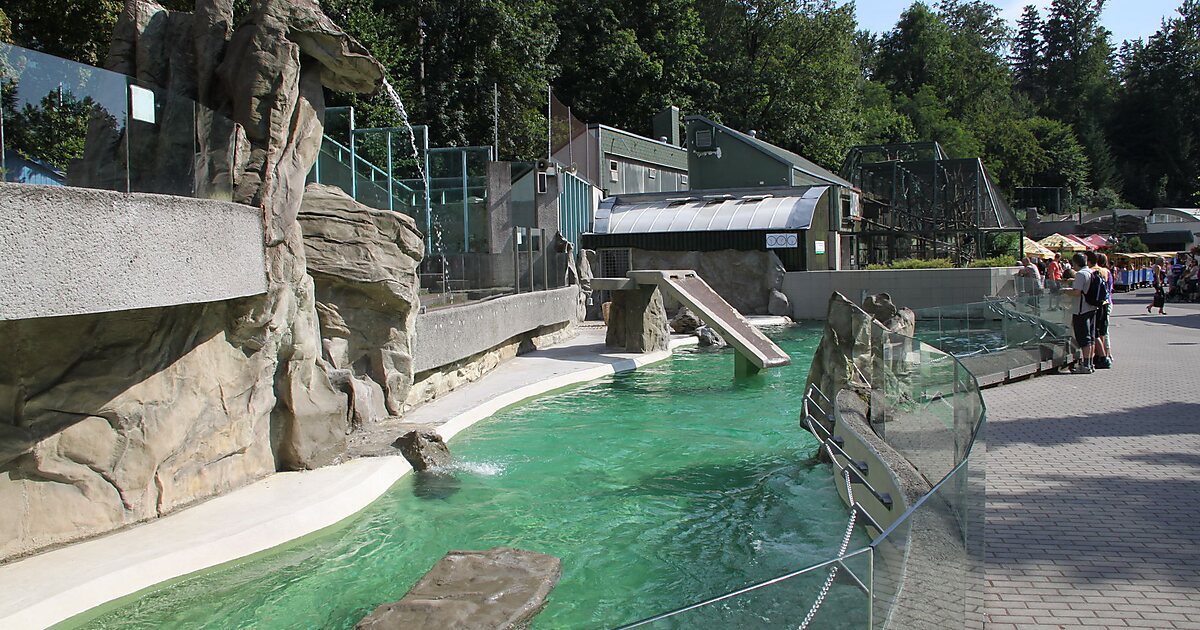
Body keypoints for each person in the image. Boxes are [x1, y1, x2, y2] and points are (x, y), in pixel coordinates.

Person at [1061, 252, 1097, 374]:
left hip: (1081, 309)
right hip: (1091, 308)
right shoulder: (1091, 272)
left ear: (1076, 263)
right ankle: (1090, 363)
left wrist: (1065, 291)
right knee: (1091, 338)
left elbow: (1077, 292)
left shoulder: (1081, 274)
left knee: (1084, 338)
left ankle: (1085, 365)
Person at [1092, 252, 1114, 369]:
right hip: (1107, 302)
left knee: (1098, 331)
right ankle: (1107, 354)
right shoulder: (1107, 272)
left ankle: (1103, 355)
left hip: (1096, 304)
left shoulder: (1093, 271)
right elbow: (1110, 288)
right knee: (1104, 331)